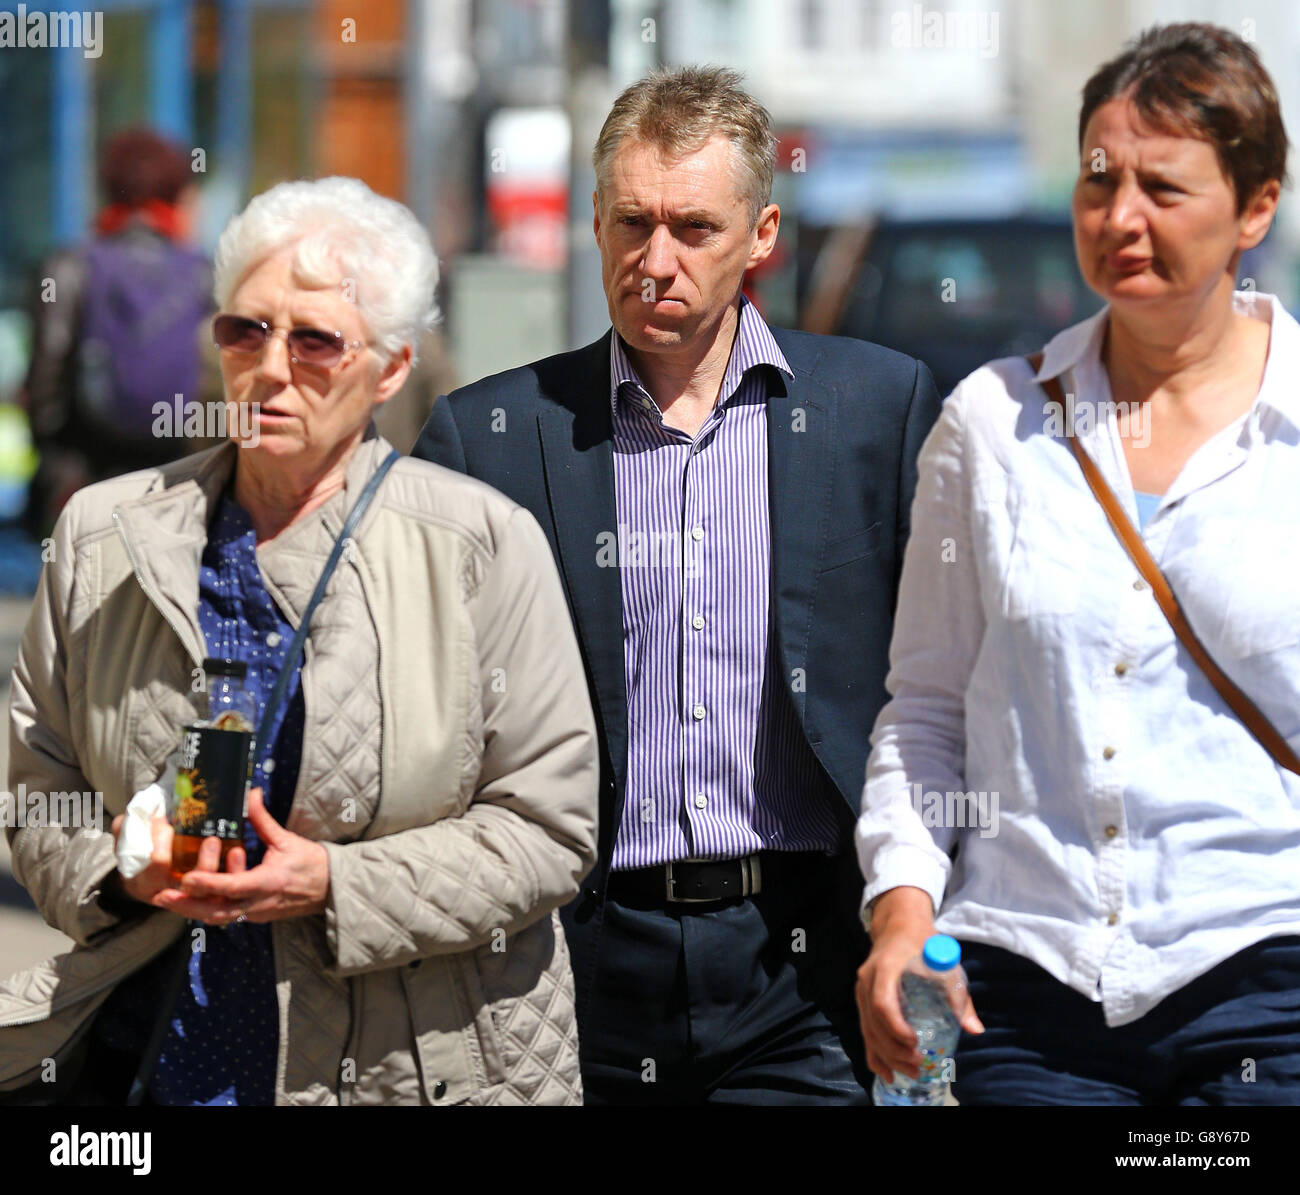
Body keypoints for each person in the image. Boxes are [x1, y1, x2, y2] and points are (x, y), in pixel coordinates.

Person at [0, 176, 598, 1106]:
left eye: (316, 340)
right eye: (246, 329)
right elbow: (38, 789)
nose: (272, 368)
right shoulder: (101, 535)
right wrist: (127, 867)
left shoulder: (479, 544)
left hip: (404, 1071)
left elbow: (549, 829)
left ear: (392, 368)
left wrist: (332, 881)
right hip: (158, 1061)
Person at [415, 65, 942, 1104]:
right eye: (630, 223)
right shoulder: (490, 440)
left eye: (693, 228)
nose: (655, 262)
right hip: (571, 953)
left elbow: (931, 687)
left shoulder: (873, 412)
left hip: (798, 959)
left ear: (761, 236)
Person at [855, 22, 1300, 1106]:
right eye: (1099, 182)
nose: (1120, 218)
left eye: (1163, 187)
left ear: (1255, 206)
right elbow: (925, 710)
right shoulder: (990, 425)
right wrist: (902, 911)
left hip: (1267, 983)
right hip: (1030, 996)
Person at [22, 128, 215, 537]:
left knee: (82, 587)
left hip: (86, 468)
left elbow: (46, 377)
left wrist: (52, 453)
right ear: (176, 191)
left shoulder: (73, 265)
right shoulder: (202, 272)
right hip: (175, 471)